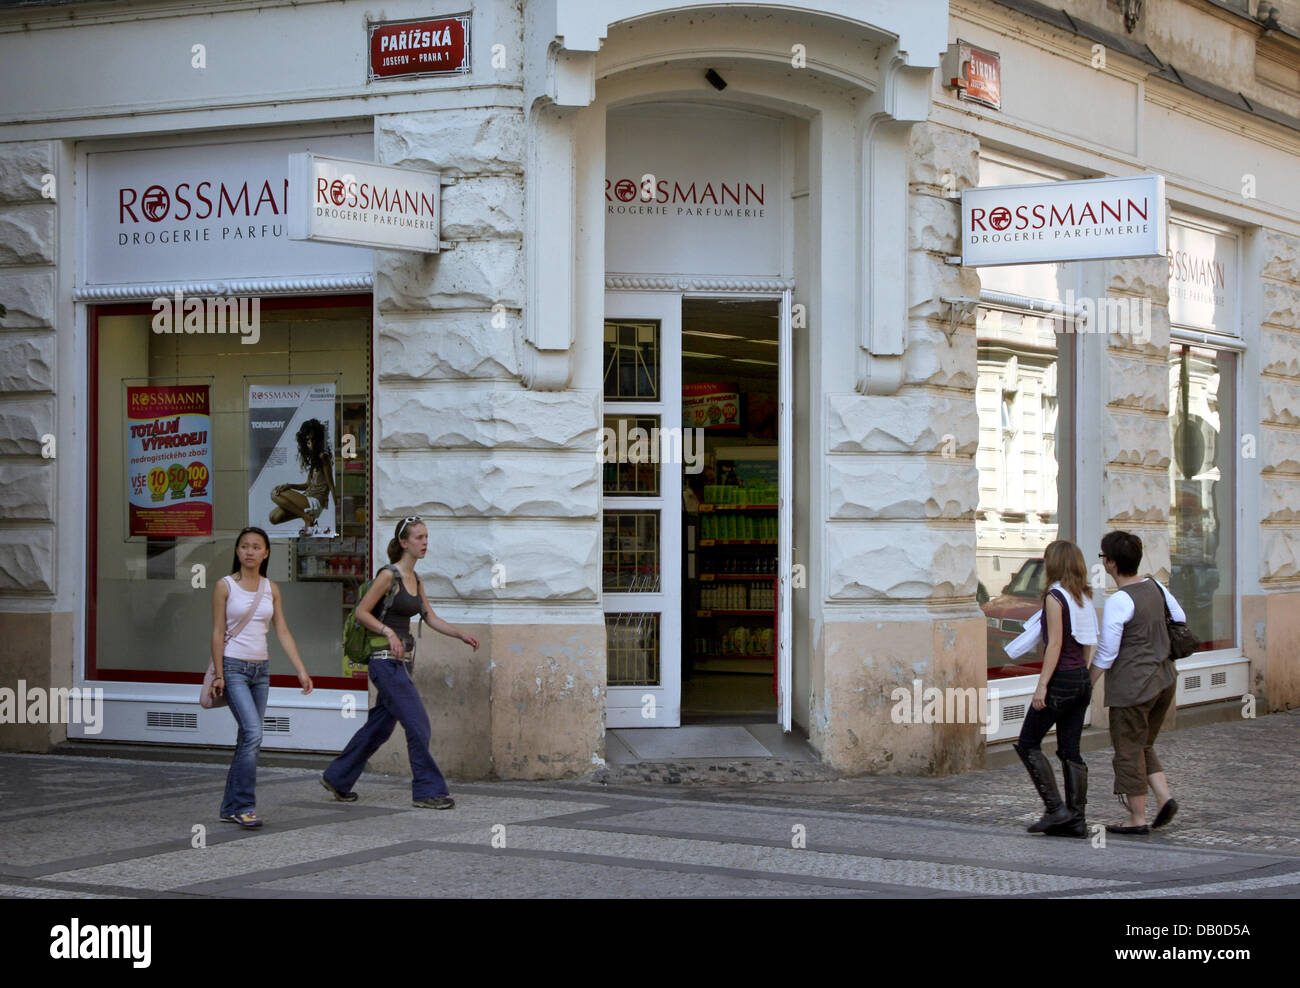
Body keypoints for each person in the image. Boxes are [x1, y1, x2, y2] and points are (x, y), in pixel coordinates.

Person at [321, 517, 480, 809]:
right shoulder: (388, 576)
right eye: (419, 537)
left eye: (426, 537)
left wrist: (460, 635)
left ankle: (338, 777)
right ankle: (427, 791)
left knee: (379, 727)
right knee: (418, 723)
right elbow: (362, 612)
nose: (425, 542)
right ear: (404, 543)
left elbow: (429, 617)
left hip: (402, 663)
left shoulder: (416, 580)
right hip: (384, 662)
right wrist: (388, 632)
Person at [211, 526, 314, 829]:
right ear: (237, 550)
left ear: (266, 553)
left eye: (256, 547)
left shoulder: (271, 588)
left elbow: (282, 630)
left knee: (248, 736)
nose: (250, 551)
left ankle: (230, 807)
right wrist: (219, 674)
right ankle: (244, 806)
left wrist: (300, 669)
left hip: (261, 671)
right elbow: (217, 632)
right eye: (245, 546)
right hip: (233, 668)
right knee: (253, 732)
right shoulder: (224, 586)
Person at [1091, 530, 1184, 835]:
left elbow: (1107, 652)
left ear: (1111, 564)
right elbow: (1180, 617)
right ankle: (1164, 797)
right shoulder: (1156, 587)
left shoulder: (1119, 600)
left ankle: (1137, 818)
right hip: (1164, 679)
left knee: (1129, 749)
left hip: (1133, 687)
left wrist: (1088, 682)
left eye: (1103, 557)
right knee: (1144, 743)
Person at [1009, 540, 1099, 838]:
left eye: (1047, 559)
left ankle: (1055, 809)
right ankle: (1077, 819)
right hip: (1080, 678)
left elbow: (1055, 644)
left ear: (1055, 563)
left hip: (1060, 678)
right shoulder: (1083, 595)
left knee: (1028, 742)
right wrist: (1083, 676)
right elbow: (1089, 643)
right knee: (1070, 750)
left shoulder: (1055, 596)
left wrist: (1042, 686)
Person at [269, 418, 335, 536]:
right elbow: (307, 485)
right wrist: (289, 486)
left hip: (316, 501)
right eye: (307, 440)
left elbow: (331, 485)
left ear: (319, 439)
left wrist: (338, 509)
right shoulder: (314, 459)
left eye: (313, 439)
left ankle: (306, 518)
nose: (311, 443)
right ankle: (306, 516)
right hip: (307, 498)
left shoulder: (323, 457)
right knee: (273, 518)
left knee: (274, 493)